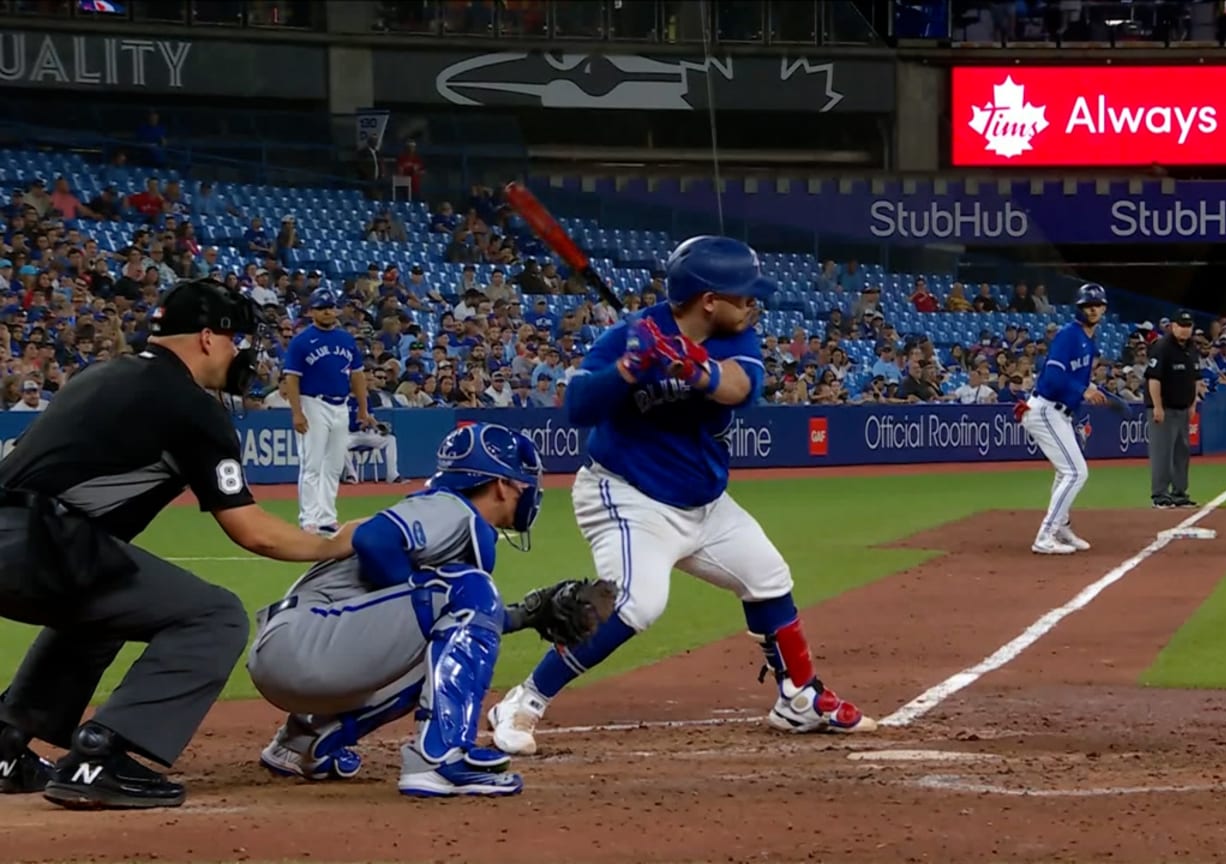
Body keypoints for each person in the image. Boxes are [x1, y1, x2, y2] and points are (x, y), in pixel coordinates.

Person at [489, 236, 875, 755]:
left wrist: (693, 368)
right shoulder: (632, 336)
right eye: (742, 296)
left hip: (704, 504)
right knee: (637, 603)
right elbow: (577, 407)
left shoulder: (736, 337)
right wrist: (629, 368)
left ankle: (797, 698)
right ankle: (523, 700)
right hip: (627, 495)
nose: (752, 305)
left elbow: (740, 389)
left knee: (768, 578)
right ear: (709, 300)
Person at [0, 277, 358, 810]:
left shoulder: (101, 374)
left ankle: (5, 743)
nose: (239, 352)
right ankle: (105, 754)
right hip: (40, 543)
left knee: (106, 605)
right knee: (215, 616)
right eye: (235, 339)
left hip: (28, 536)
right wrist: (335, 544)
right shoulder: (190, 404)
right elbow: (252, 530)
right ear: (209, 338)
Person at [246, 423, 614, 798]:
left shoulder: (446, 515)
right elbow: (375, 539)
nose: (529, 492)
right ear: (501, 485)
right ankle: (439, 760)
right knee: (469, 587)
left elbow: (453, 623)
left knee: (442, 645)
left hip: (299, 651)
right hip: (305, 640)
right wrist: (413, 593)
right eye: (523, 483)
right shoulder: (450, 506)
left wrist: (526, 615)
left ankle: (302, 742)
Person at [1016, 283, 1109, 555]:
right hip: (1044, 409)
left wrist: (1090, 389)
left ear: (1104, 308)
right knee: (1076, 472)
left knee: (1066, 471)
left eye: (1097, 305)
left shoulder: (1090, 340)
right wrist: (1083, 390)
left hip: (1059, 412)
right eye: (1087, 305)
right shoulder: (1069, 335)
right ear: (1079, 308)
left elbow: (1077, 379)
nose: (1092, 309)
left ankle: (1062, 526)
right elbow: (1054, 377)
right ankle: (1045, 535)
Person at [281, 289, 370, 535]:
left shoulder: (346, 339)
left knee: (333, 465)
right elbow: (291, 379)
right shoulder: (302, 341)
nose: (327, 311)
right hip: (313, 402)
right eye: (321, 308)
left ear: (337, 309)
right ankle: (308, 518)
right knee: (312, 463)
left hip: (341, 404)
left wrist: (363, 409)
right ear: (311, 312)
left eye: (330, 307)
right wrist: (297, 412)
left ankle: (326, 516)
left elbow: (358, 375)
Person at [1146, 310, 1202, 509]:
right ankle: (1160, 495)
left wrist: (1193, 403)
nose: (1185, 330)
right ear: (1173, 326)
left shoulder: (1192, 348)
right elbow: (1154, 379)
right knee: (1162, 452)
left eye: (1188, 326)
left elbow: (1195, 379)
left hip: (1183, 408)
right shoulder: (1162, 347)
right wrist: (1157, 406)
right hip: (1165, 408)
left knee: (1181, 452)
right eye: (1181, 325)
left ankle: (1179, 493)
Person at [341, 398, 403, 484]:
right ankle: (351, 474)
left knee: (391, 439)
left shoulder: (365, 400)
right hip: (350, 435)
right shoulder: (345, 400)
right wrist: (358, 425)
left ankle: (392, 475)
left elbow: (371, 420)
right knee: (339, 444)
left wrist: (379, 427)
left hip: (367, 434)